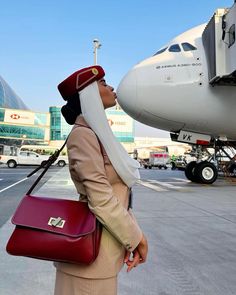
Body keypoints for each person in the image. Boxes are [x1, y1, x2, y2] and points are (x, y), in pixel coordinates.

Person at [55, 65, 148, 295]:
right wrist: (137, 238)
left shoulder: (97, 134)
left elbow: (119, 195)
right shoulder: (83, 135)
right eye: (104, 83)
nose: (111, 87)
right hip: (88, 260)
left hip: (103, 253)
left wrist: (132, 236)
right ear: (90, 94)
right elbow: (101, 199)